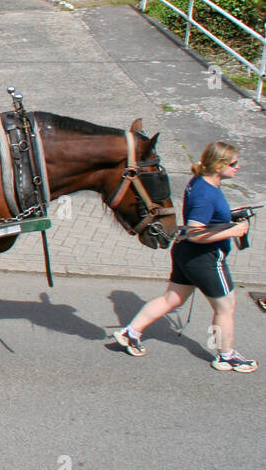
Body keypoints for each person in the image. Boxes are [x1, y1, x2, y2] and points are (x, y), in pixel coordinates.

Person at [110, 141, 257, 373]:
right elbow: (195, 232)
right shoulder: (206, 194)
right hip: (204, 257)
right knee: (225, 307)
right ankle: (226, 356)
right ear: (219, 166)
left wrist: (228, 216)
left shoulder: (200, 182)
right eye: (234, 163)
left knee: (172, 299)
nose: (238, 166)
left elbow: (204, 221)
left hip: (185, 254)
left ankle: (130, 333)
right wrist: (233, 231)